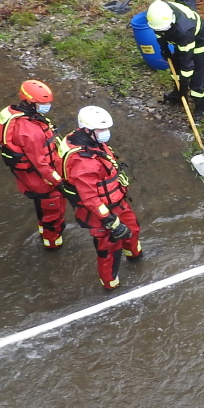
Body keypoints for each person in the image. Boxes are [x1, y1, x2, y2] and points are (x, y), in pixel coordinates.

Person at [58, 106, 142, 290]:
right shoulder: (82, 162)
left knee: (132, 228)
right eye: (101, 130)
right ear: (87, 130)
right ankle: (110, 284)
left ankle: (134, 256)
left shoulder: (87, 140)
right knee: (108, 249)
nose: (106, 134)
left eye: (106, 129)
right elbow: (90, 199)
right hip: (99, 212)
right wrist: (110, 221)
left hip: (116, 201)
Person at [0, 79, 67, 249]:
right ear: (30, 102)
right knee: (52, 212)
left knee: (41, 208)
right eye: (42, 103)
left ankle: (44, 231)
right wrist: (60, 183)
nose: (46, 105)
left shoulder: (12, 113)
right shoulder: (31, 133)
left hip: (26, 177)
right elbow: (41, 164)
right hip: (42, 182)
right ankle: (53, 244)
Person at [146, 0, 204, 119]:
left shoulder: (184, 30)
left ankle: (200, 109)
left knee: (198, 76)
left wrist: (184, 84)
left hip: (199, 40)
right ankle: (178, 94)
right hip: (179, 39)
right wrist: (164, 48)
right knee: (176, 66)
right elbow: (159, 32)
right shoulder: (158, 15)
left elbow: (187, 63)